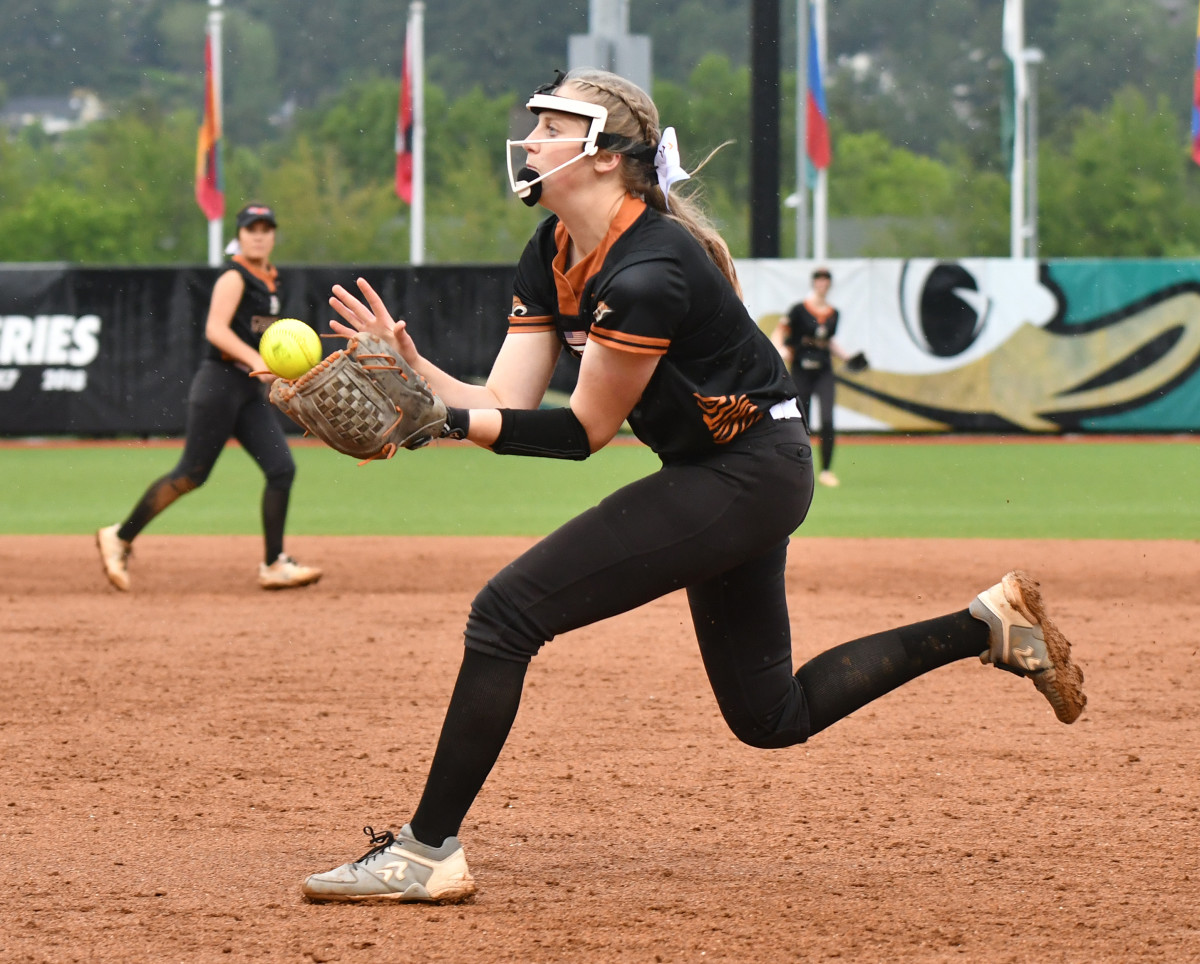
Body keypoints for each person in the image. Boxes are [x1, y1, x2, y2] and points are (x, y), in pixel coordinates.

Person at [300, 69, 1085, 904]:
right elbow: (502, 404)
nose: (530, 140)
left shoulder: (651, 270)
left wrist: (441, 424)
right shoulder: (554, 250)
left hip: (750, 475)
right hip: (723, 475)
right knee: (770, 716)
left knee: (505, 616)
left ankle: (426, 852)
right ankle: (985, 627)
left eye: (552, 127)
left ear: (607, 158)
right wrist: (422, 381)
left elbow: (580, 436)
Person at [95, 203, 322, 592]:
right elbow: (216, 330)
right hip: (219, 384)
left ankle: (273, 563)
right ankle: (119, 536)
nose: (259, 234)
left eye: (266, 228)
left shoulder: (271, 281)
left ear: (273, 236)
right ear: (240, 233)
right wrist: (256, 359)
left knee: (281, 469)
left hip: (248, 390)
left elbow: (265, 338)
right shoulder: (233, 277)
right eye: (252, 228)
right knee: (190, 475)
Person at [771, 267, 853, 487]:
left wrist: (847, 357)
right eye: (819, 279)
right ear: (814, 283)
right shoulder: (799, 310)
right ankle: (798, 469)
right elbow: (781, 331)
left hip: (823, 371)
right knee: (801, 422)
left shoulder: (834, 314)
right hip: (801, 371)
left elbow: (828, 342)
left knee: (827, 419)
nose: (822, 284)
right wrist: (779, 349)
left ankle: (826, 470)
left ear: (829, 284)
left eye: (826, 280)